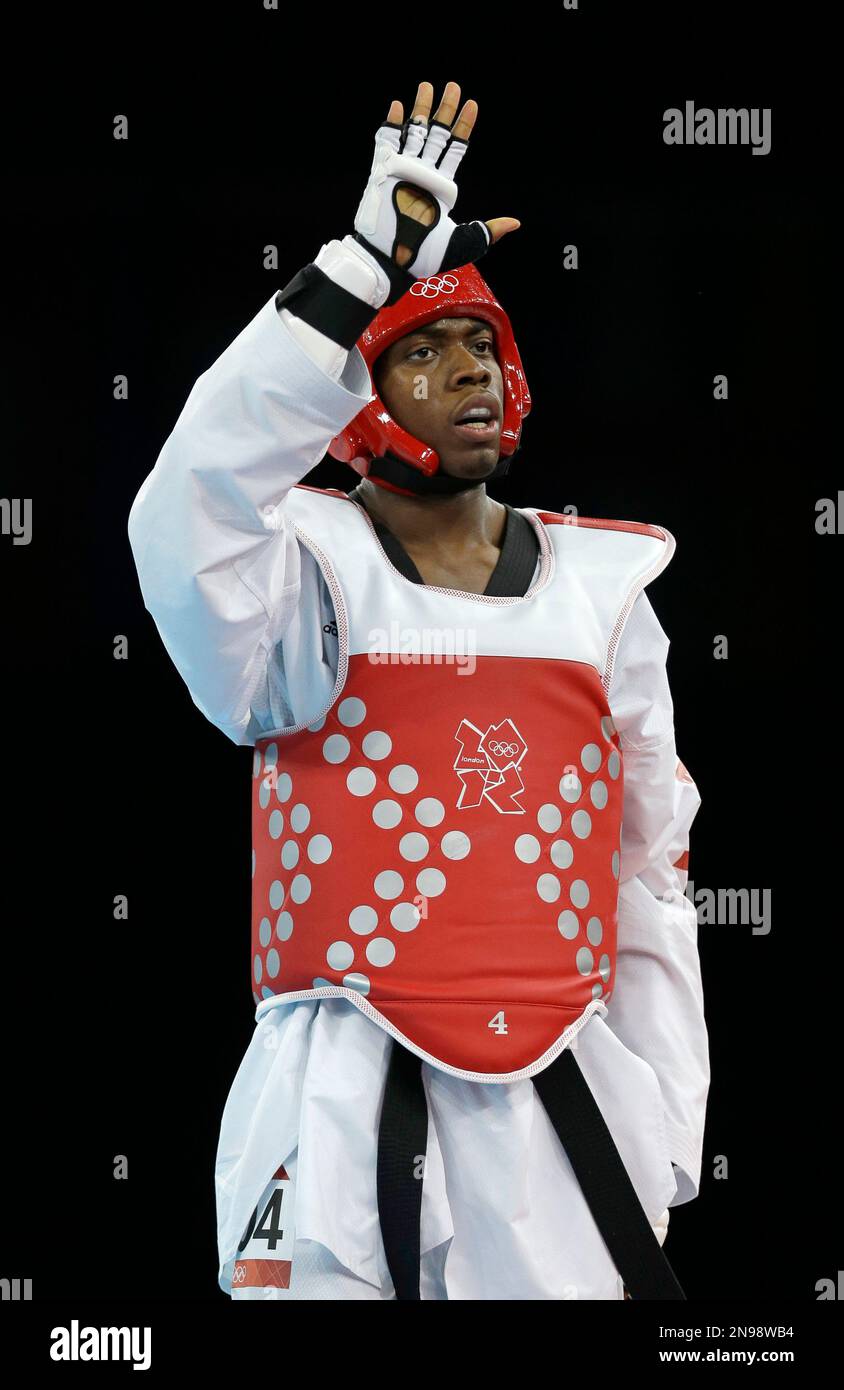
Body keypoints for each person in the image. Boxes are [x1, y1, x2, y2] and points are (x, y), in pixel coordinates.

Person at [127, 79, 710, 1300]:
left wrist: (662, 1120)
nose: (473, 372)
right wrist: (361, 267)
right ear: (353, 407)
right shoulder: (297, 573)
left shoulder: (606, 591)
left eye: (484, 344)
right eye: (425, 351)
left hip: (561, 1101)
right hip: (335, 1084)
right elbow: (181, 511)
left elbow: (649, 872)